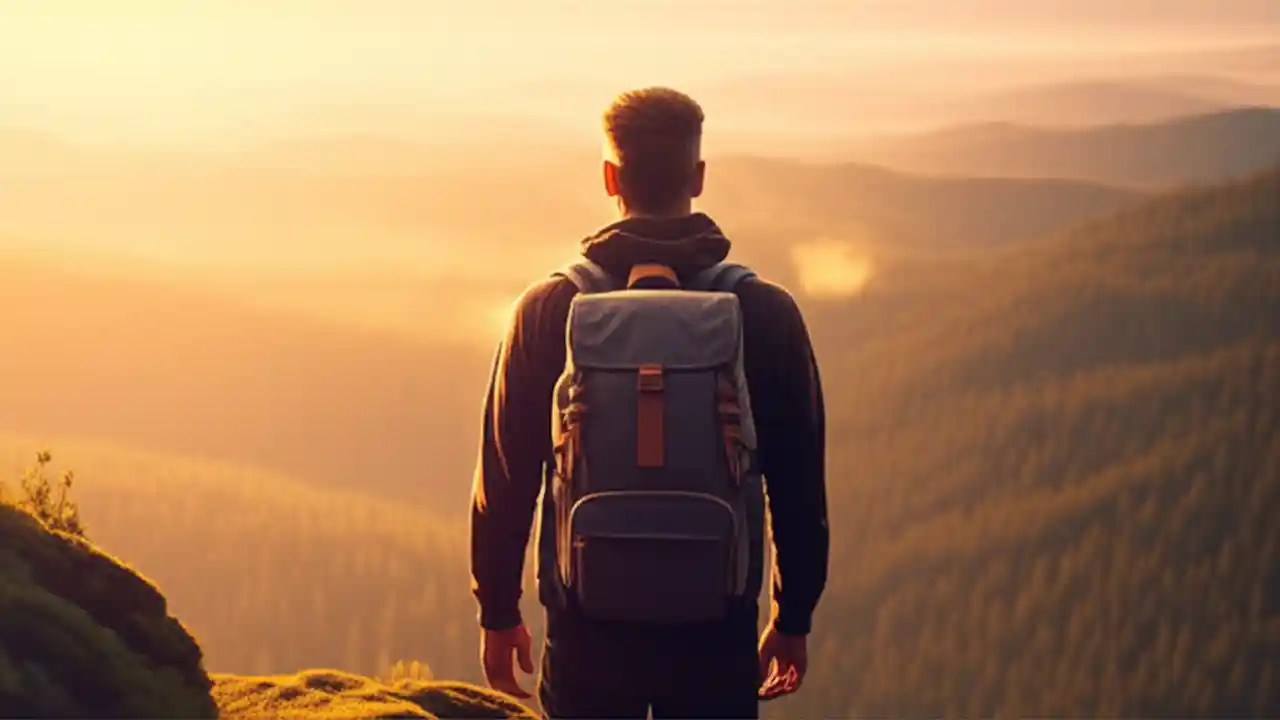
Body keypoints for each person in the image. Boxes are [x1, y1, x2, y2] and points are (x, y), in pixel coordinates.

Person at [470, 86, 828, 719]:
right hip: (715, 632)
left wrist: (498, 612)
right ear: (698, 177)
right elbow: (799, 483)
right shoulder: (764, 314)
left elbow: (505, 478)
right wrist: (792, 613)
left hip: (587, 634)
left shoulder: (548, 311)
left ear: (611, 178)